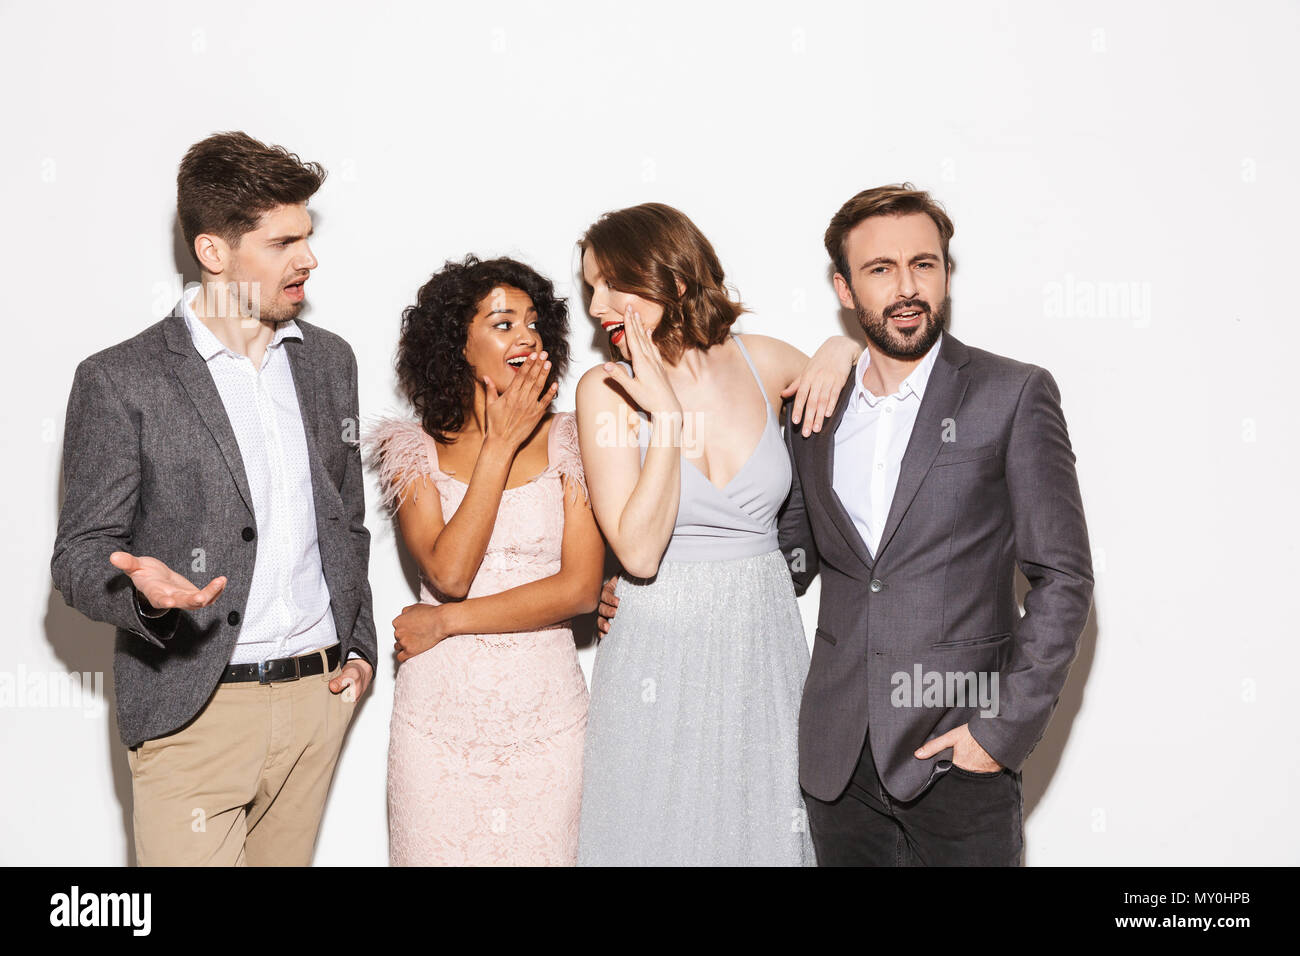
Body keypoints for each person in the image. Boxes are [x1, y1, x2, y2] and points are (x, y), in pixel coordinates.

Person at [50, 131, 377, 866]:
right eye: (284, 241)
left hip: (314, 702)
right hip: (195, 711)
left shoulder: (330, 363)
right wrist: (139, 591)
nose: (309, 259)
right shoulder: (120, 379)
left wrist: (358, 648)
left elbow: (346, 520)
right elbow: (77, 553)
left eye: (309, 236)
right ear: (214, 252)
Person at [780, 183, 1094, 865]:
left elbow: (1063, 577)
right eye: (880, 269)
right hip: (838, 765)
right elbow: (789, 562)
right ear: (843, 286)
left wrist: (1001, 731)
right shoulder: (815, 410)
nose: (906, 288)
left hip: (958, 754)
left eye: (924, 264)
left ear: (947, 273)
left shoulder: (1010, 393)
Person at [574, 202, 860, 865]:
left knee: (767, 828)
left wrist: (839, 346)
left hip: (762, 641)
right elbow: (639, 553)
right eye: (589, 287)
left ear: (670, 277)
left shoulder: (760, 362)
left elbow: (881, 388)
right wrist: (667, 425)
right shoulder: (604, 390)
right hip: (657, 644)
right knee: (654, 831)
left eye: (609, 282)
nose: (595, 305)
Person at [364, 255, 602, 866]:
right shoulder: (411, 448)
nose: (525, 336)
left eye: (532, 322)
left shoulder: (576, 438)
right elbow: (449, 573)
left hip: (547, 723)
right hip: (437, 727)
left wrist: (444, 622)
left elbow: (578, 589)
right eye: (502, 323)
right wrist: (499, 444)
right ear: (458, 346)